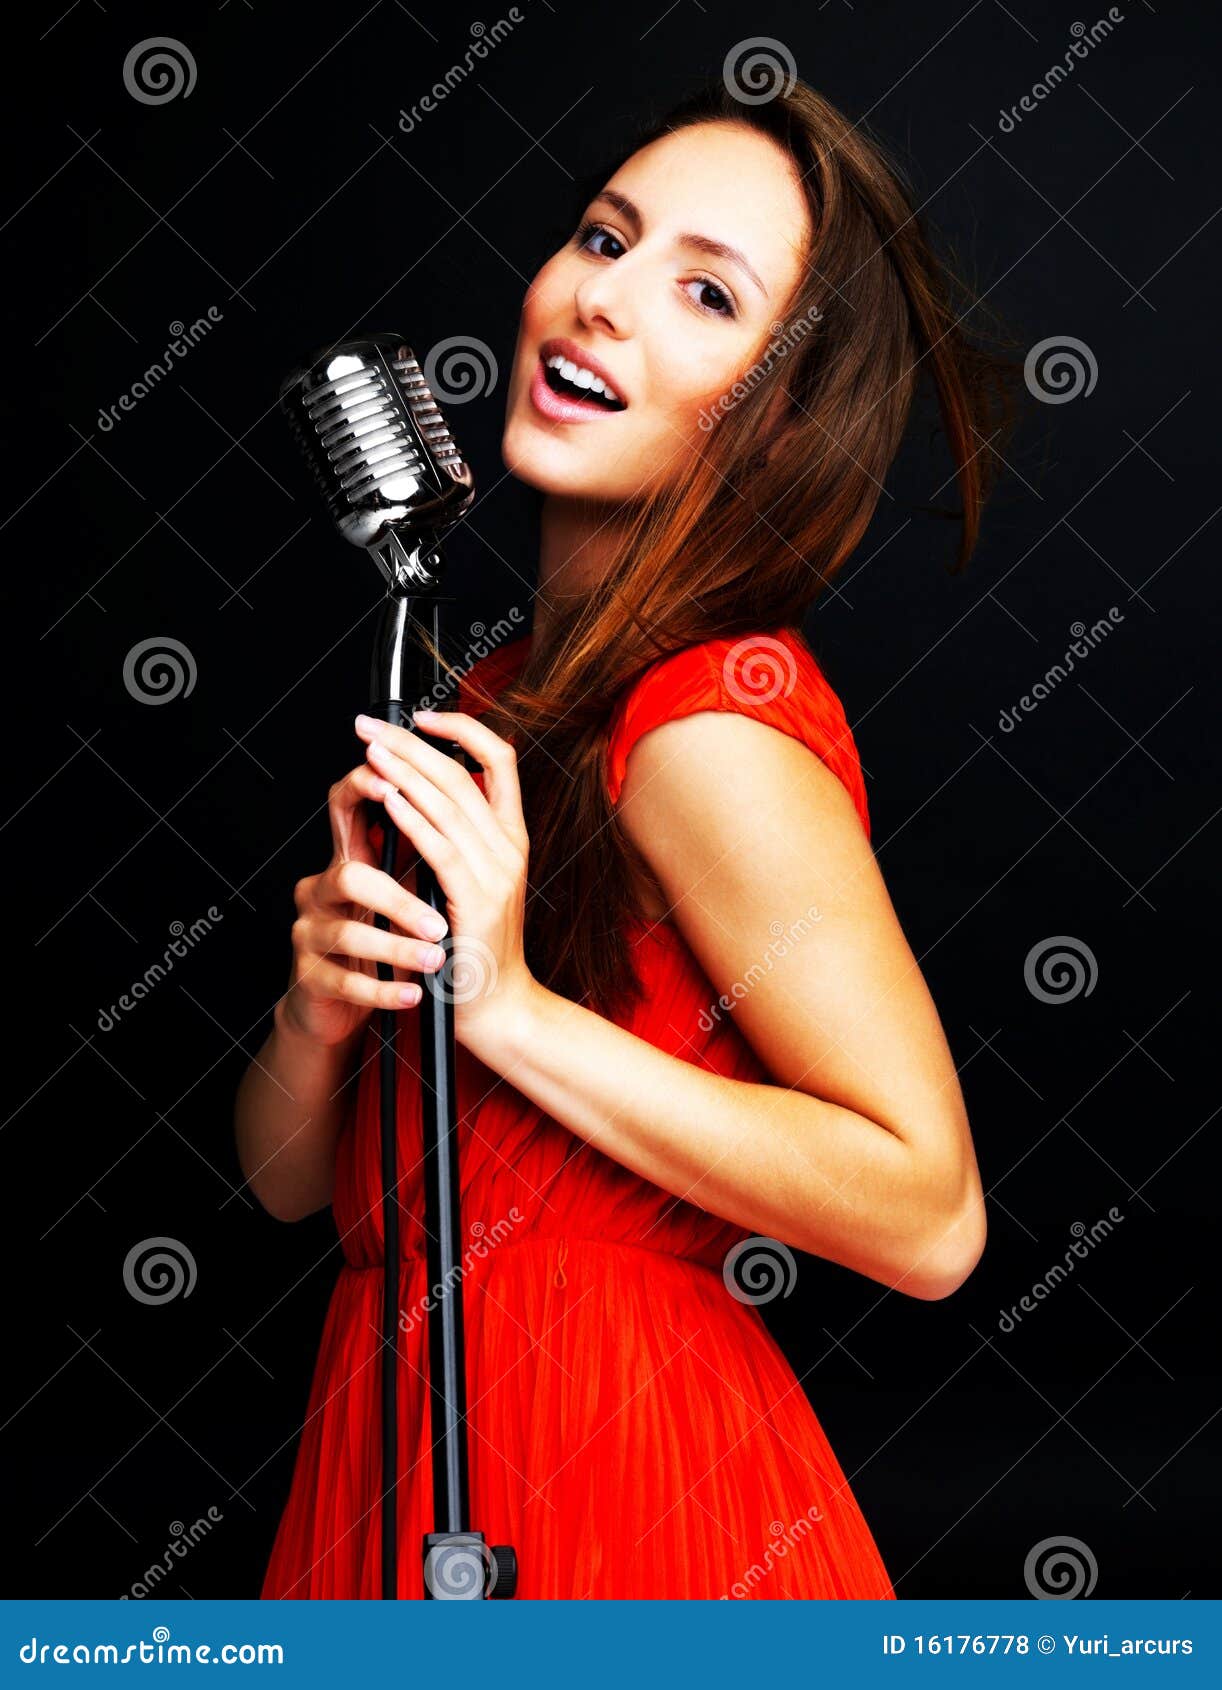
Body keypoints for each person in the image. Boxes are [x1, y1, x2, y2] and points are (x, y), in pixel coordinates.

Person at [236, 76, 1011, 1600]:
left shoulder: (709, 724)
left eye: (704, 292)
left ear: (778, 417)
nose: (604, 301)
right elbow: (291, 1194)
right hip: (392, 1452)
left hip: (628, 1484)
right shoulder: (493, 708)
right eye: (604, 236)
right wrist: (313, 1013)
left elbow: (930, 1214)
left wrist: (509, 1009)